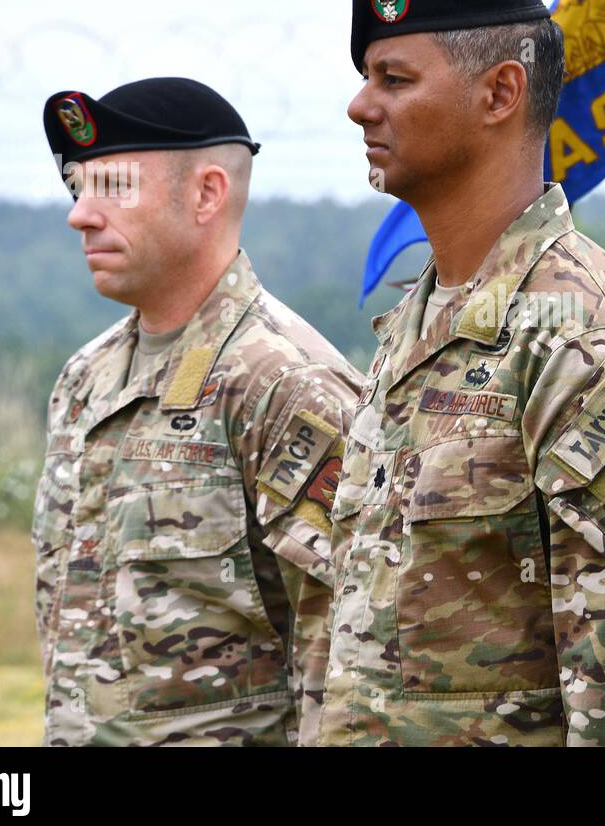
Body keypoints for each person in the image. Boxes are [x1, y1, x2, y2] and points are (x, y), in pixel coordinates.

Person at [317, 0, 605, 746]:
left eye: (395, 79)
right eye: (368, 77)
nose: (361, 105)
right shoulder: (420, 320)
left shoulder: (581, 337)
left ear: (500, 92)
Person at [34, 77, 362, 745]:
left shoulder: (283, 383)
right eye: (78, 187)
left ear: (208, 193)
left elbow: (351, 660)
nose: (81, 214)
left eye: (114, 187)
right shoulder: (86, 380)